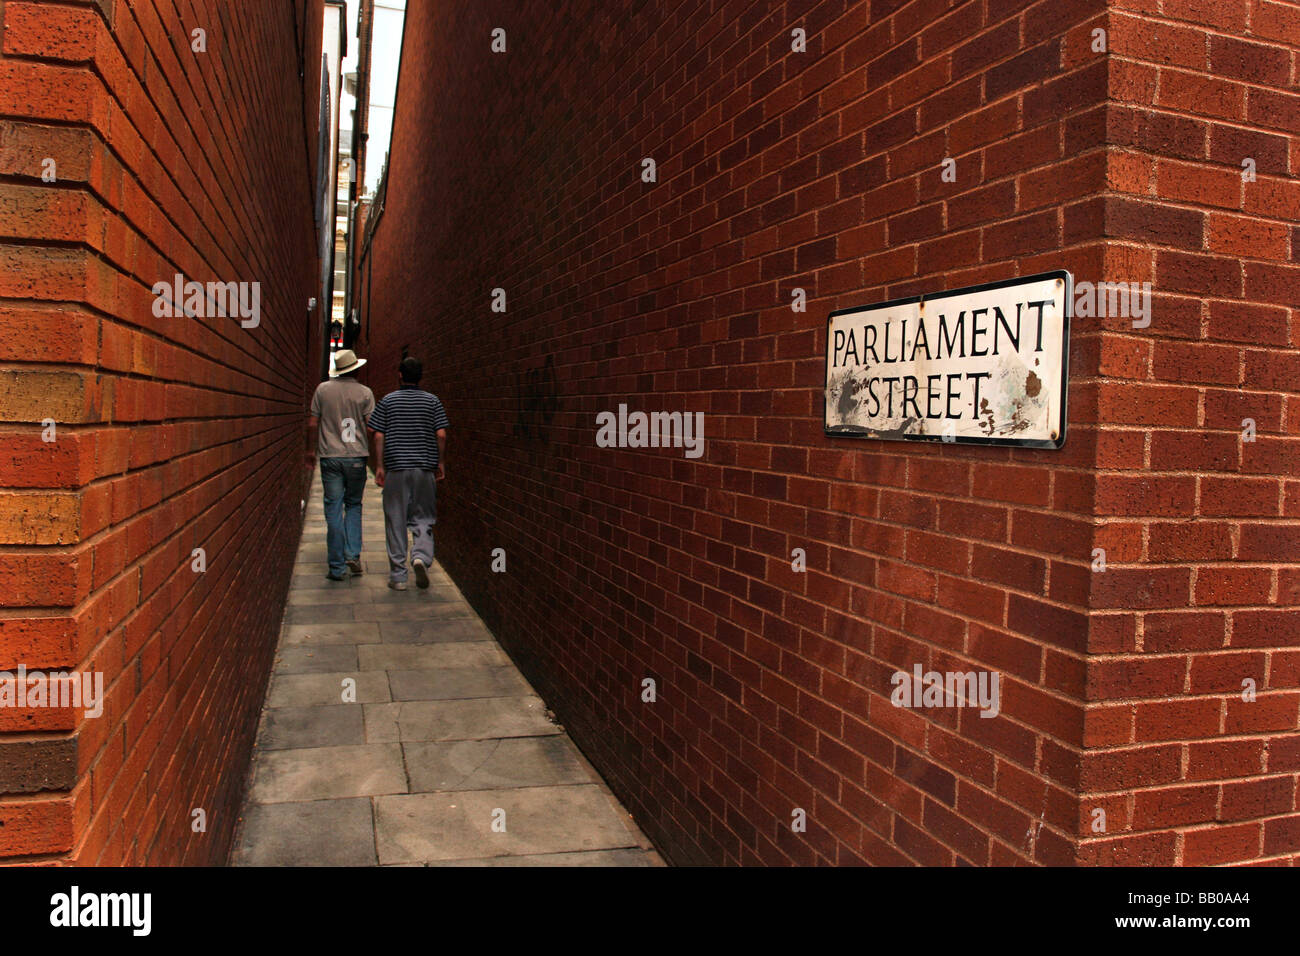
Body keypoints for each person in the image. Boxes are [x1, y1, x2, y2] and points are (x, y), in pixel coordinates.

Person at [367, 357, 449, 590]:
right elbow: (441, 435)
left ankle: (399, 577)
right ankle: (421, 556)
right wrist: (440, 462)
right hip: (424, 469)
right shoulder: (432, 402)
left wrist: (380, 465)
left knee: (396, 519)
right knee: (423, 517)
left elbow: (376, 433)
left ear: (400, 375)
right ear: (420, 376)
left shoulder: (388, 401)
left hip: (397, 468)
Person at [307, 349, 375, 581]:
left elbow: (312, 422)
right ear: (355, 368)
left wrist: (310, 450)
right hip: (356, 456)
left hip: (330, 457)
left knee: (333, 508)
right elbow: (371, 427)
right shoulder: (365, 393)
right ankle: (352, 554)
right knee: (353, 505)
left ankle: (336, 566)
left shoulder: (322, 390)